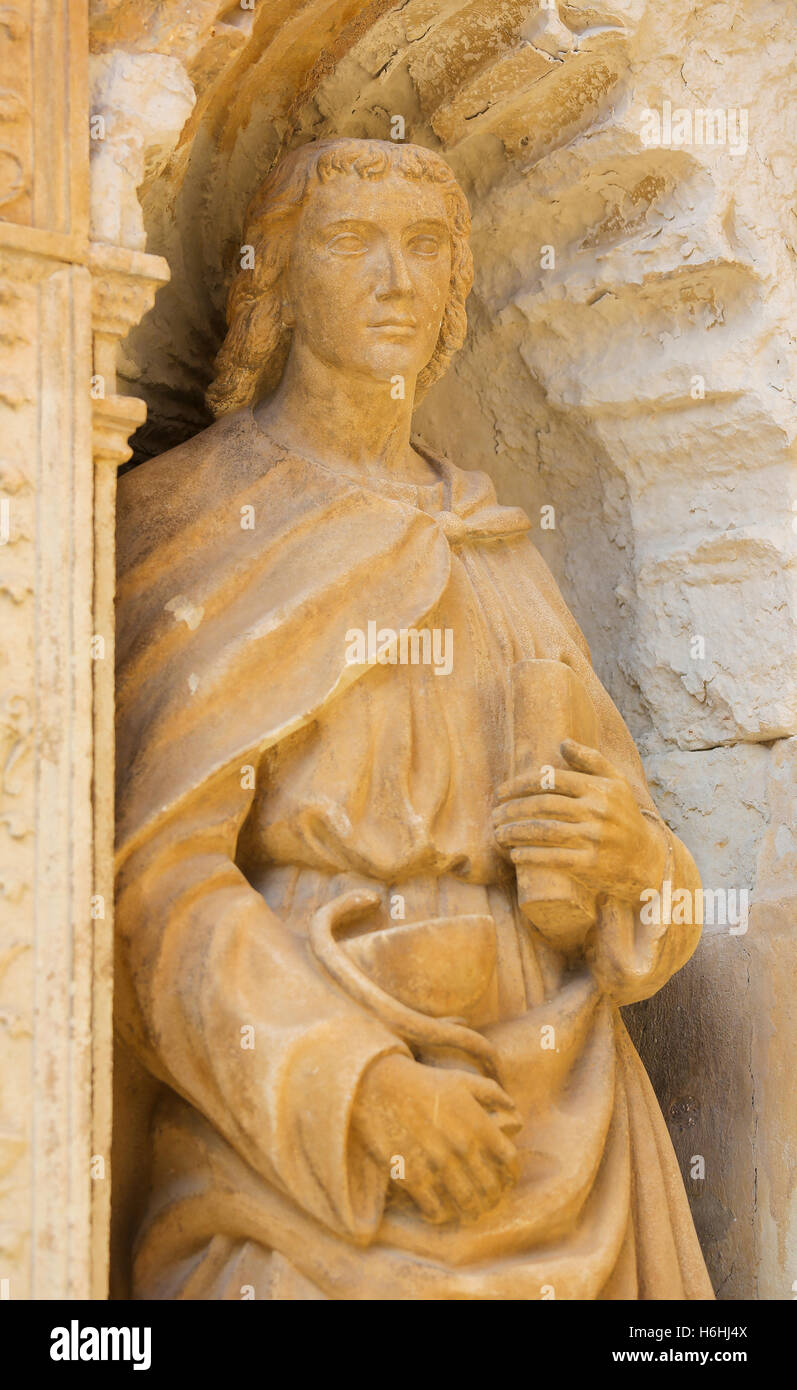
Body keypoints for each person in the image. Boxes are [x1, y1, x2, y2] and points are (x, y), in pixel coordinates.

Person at [114, 137, 714, 1300]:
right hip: (311, 1152)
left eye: (427, 247)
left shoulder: (498, 550)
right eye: (351, 242)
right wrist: (360, 1086)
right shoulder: (200, 516)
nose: (396, 276)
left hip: (563, 1121)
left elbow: (642, 874)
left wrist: (637, 862)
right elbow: (155, 883)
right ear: (276, 280)